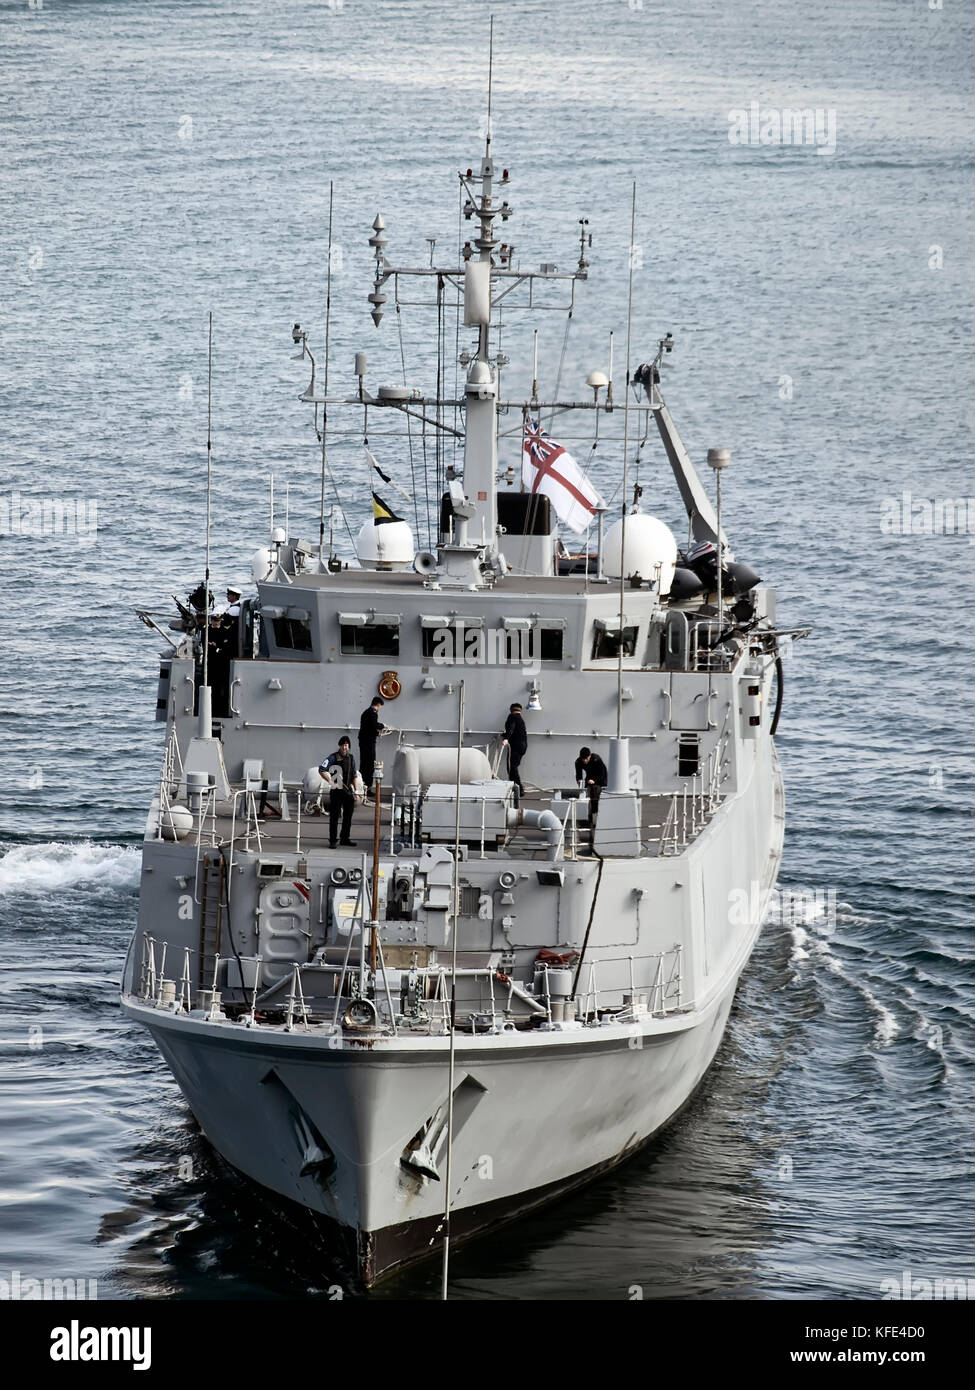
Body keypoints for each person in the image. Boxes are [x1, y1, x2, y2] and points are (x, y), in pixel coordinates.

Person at [319, 737, 358, 848]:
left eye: (346, 745)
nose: (344, 747)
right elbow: (321, 769)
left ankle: (345, 838)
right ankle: (332, 840)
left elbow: (354, 775)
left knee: (348, 816)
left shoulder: (351, 758)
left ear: (349, 746)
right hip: (336, 791)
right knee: (334, 817)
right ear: (339, 746)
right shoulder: (333, 757)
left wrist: (356, 791)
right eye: (342, 745)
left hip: (348, 791)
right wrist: (330, 782)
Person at [357, 696, 387, 798]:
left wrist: (376, 732)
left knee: (363, 764)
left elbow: (368, 727)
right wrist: (382, 726)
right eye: (380, 707)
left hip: (363, 742)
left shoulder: (365, 712)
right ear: (378, 705)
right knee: (369, 765)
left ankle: (361, 786)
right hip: (369, 743)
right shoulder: (373, 713)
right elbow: (373, 726)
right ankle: (368, 788)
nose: (379, 709)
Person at [574, 746, 608, 829]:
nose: (585, 761)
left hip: (600, 778)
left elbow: (602, 773)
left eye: (586, 759)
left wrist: (594, 780)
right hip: (589, 777)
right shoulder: (578, 761)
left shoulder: (596, 759)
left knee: (595, 791)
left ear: (590, 756)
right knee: (586, 792)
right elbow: (579, 774)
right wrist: (579, 781)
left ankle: (595, 814)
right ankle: (587, 815)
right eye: (583, 759)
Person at [501, 702, 527, 801]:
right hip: (522, 746)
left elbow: (511, 728)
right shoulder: (520, 719)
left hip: (516, 746)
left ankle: (518, 789)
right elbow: (516, 730)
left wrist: (506, 738)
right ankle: (516, 787)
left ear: (511, 709)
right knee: (513, 766)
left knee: (512, 767)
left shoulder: (512, 717)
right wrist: (506, 735)